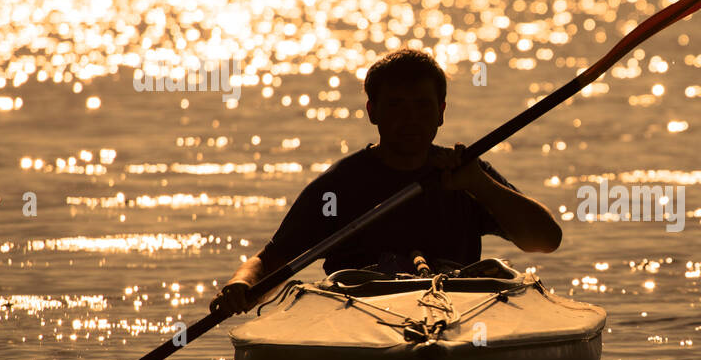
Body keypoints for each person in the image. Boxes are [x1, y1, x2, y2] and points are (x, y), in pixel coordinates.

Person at [208, 48, 561, 316]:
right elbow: (270, 260)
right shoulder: (339, 186)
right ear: (372, 111)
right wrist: (242, 284)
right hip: (362, 314)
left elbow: (546, 240)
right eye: (396, 106)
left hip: (456, 314)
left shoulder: (465, 173)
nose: (410, 119)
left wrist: (480, 186)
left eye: (422, 106)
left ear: (441, 111)